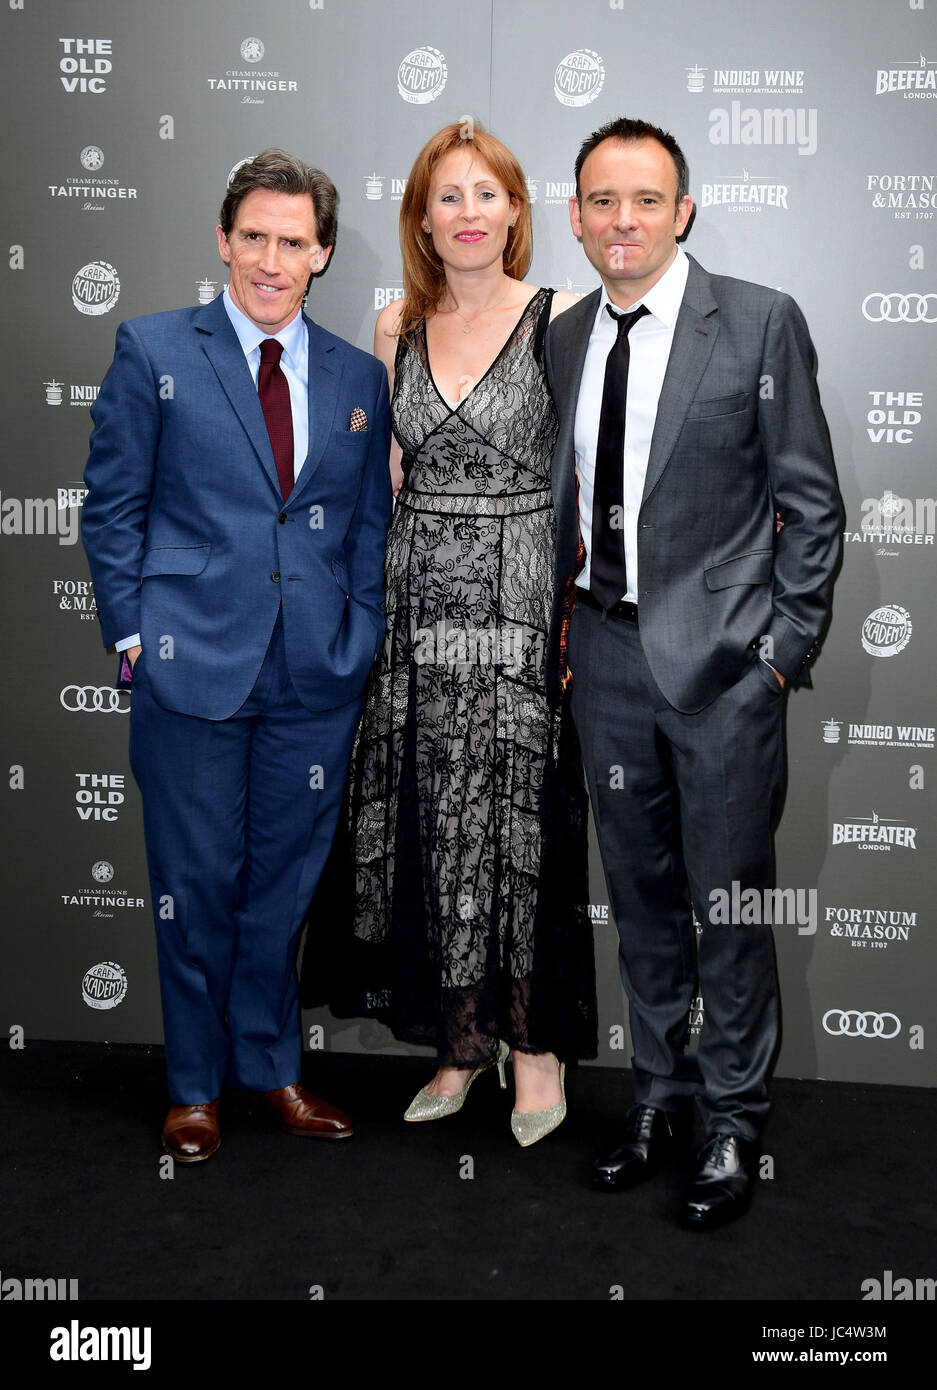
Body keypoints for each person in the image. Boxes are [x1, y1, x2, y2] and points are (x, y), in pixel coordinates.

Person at [545, 117, 841, 1223]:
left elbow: (809, 503)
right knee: (641, 904)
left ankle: (730, 1124)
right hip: (605, 659)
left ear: (682, 212)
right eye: (601, 201)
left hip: (722, 673)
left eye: (644, 200)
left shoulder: (758, 323)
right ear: (576, 216)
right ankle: (659, 1098)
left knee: (726, 904)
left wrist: (779, 655)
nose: (622, 221)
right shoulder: (567, 337)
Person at [81, 149, 392, 1163]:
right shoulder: (154, 347)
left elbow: (366, 528)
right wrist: (134, 643)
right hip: (189, 666)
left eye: (292, 242)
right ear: (224, 241)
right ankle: (192, 1085)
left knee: (282, 887)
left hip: (314, 674)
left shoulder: (356, 376)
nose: (270, 258)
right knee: (194, 881)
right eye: (252, 236)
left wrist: (360, 632)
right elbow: (114, 508)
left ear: (323, 254)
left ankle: (269, 1068)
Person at [306, 122, 596, 1145]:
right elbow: (380, 480)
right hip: (417, 611)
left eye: (486, 194)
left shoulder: (564, 321)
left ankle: (537, 1051)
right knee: (437, 822)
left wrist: (570, 614)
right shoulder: (394, 328)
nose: (467, 213)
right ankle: (461, 1039)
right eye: (447, 197)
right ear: (421, 219)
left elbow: (590, 478)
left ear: (515, 211)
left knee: (518, 829)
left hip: (521, 613)